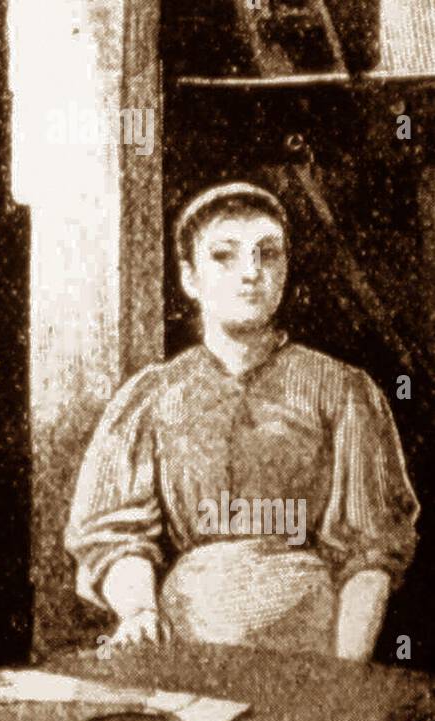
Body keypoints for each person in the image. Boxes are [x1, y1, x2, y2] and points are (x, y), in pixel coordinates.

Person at [66, 181, 419, 658]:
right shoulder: (152, 395)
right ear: (190, 278)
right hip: (182, 648)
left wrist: (345, 671)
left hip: (308, 654)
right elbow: (114, 533)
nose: (250, 272)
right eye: (224, 256)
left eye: (267, 254)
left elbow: (370, 553)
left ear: (286, 269)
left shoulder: (342, 389)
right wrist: (138, 612)